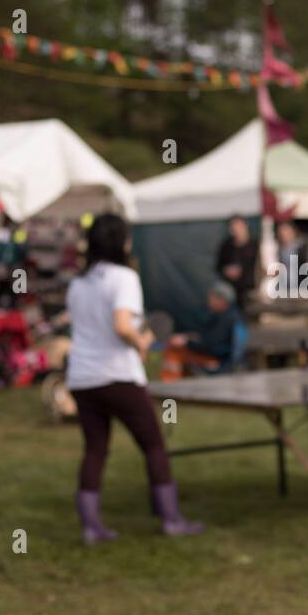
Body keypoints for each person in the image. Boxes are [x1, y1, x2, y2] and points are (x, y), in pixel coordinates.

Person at [66, 214, 203, 542]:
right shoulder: (124, 277)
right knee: (154, 444)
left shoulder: (77, 282)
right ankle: (171, 520)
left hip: (82, 377)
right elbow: (121, 325)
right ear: (120, 241)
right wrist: (141, 341)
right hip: (117, 375)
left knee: (95, 449)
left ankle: (90, 526)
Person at [162, 281, 244, 377]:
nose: (209, 301)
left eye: (212, 298)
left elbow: (211, 345)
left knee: (174, 351)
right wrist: (190, 337)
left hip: (217, 361)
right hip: (217, 357)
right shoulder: (226, 314)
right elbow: (210, 337)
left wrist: (186, 342)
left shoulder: (227, 319)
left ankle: (170, 387)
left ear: (221, 300)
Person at [216, 215, 259, 310]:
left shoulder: (256, 245)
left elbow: (259, 267)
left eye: (238, 226)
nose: (236, 230)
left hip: (251, 287)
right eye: (233, 228)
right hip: (230, 289)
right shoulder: (226, 246)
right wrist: (226, 271)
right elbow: (219, 266)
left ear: (245, 226)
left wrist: (242, 271)